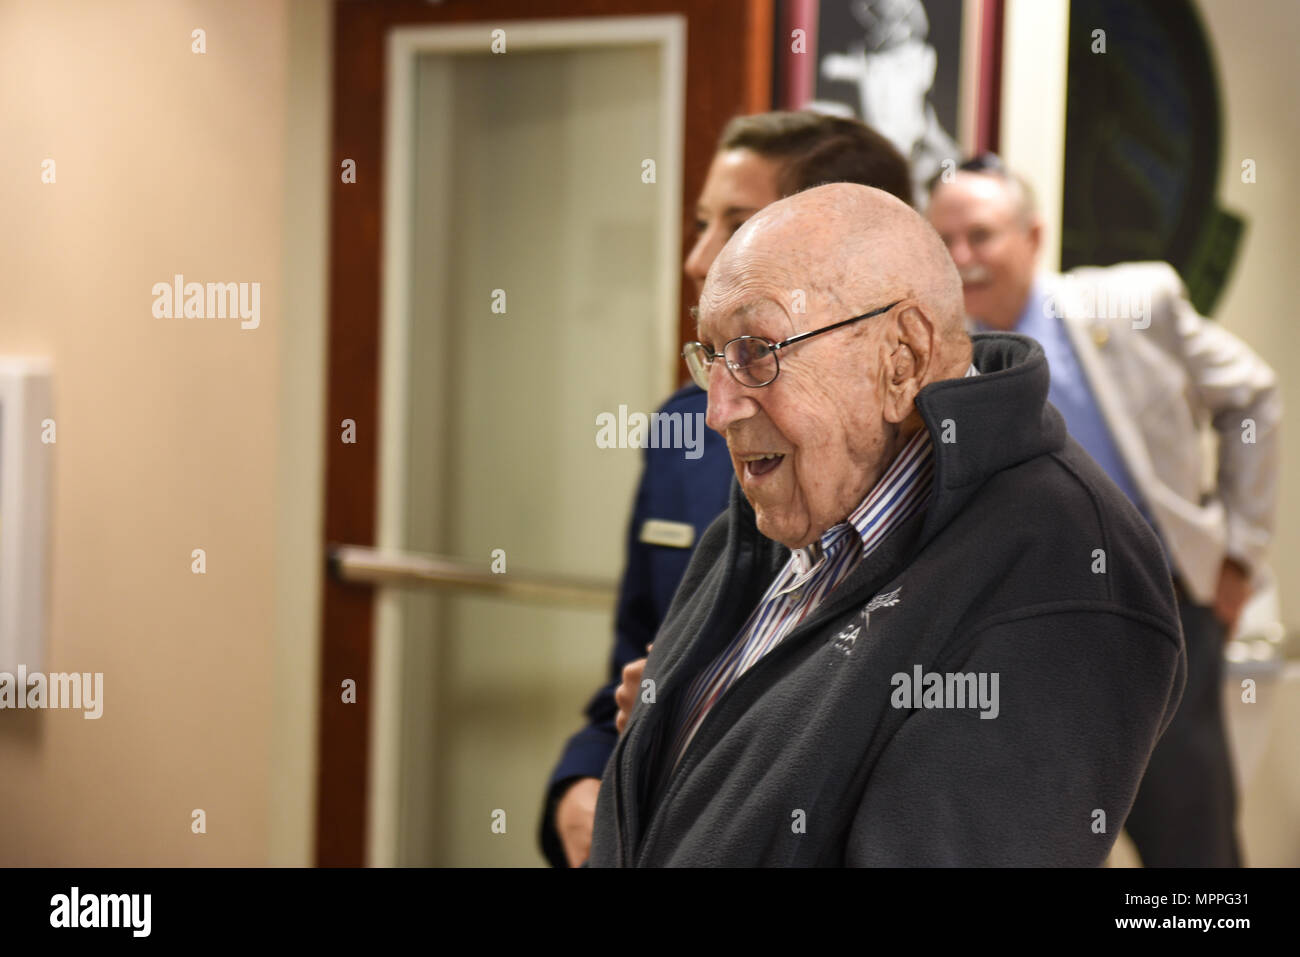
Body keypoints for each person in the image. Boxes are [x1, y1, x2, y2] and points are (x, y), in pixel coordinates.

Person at [586, 183, 1186, 867]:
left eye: (756, 351)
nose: (717, 408)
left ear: (900, 358)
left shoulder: (1066, 571)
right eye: (712, 356)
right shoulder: (780, 514)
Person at [538, 111, 913, 868]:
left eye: (736, 224)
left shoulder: (916, 459)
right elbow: (632, 658)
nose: (698, 257)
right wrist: (578, 781)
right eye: (702, 223)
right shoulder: (684, 429)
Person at [925, 155, 1281, 866]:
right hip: (1022, 640)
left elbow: (1254, 393)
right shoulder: (934, 357)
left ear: (1034, 235)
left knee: (1193, 850)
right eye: (945, 242)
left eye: (982, 236)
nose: (963, 259)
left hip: (1166, 617)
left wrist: (1241, 550)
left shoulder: (1136, 303)